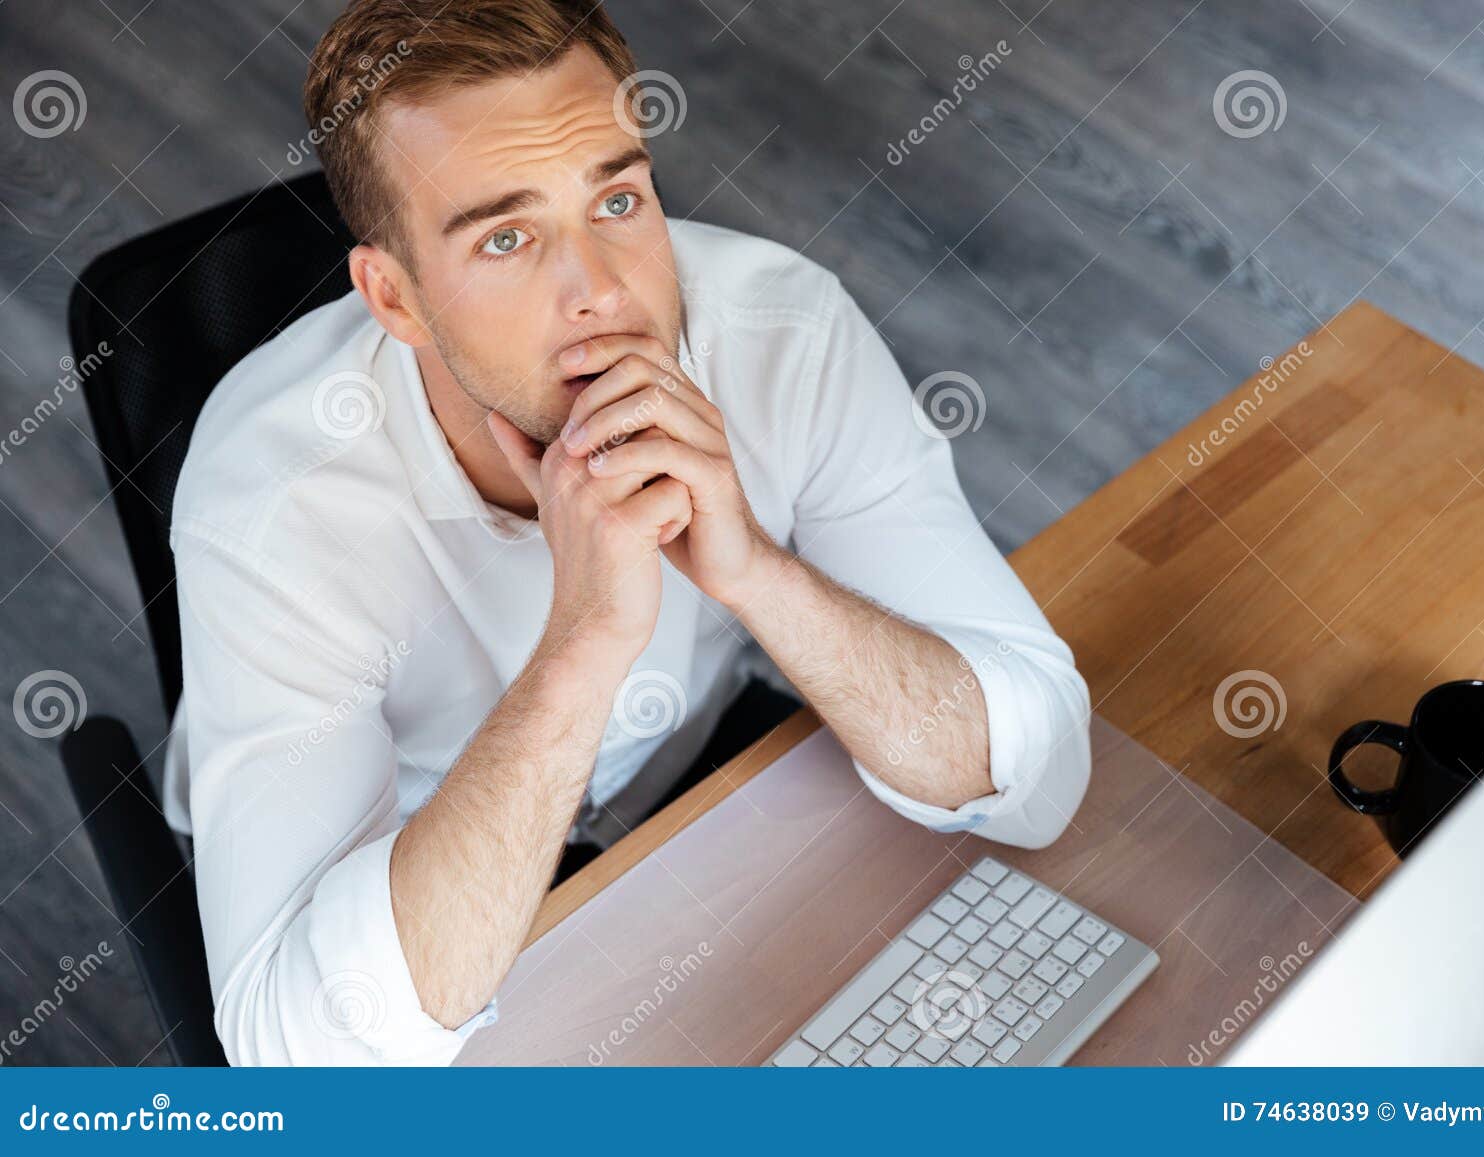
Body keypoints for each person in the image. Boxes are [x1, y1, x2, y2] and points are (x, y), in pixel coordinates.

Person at [162, 0, 1092, 1064]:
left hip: (689, 796)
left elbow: (1040, 778)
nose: (601, 293)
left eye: (616, 197)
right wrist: (585, 640)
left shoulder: (784, 334)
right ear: (395, 296)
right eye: (507, 237)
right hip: (420, 878)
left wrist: (758, 572)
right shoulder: (272, 498)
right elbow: (301, 1062)